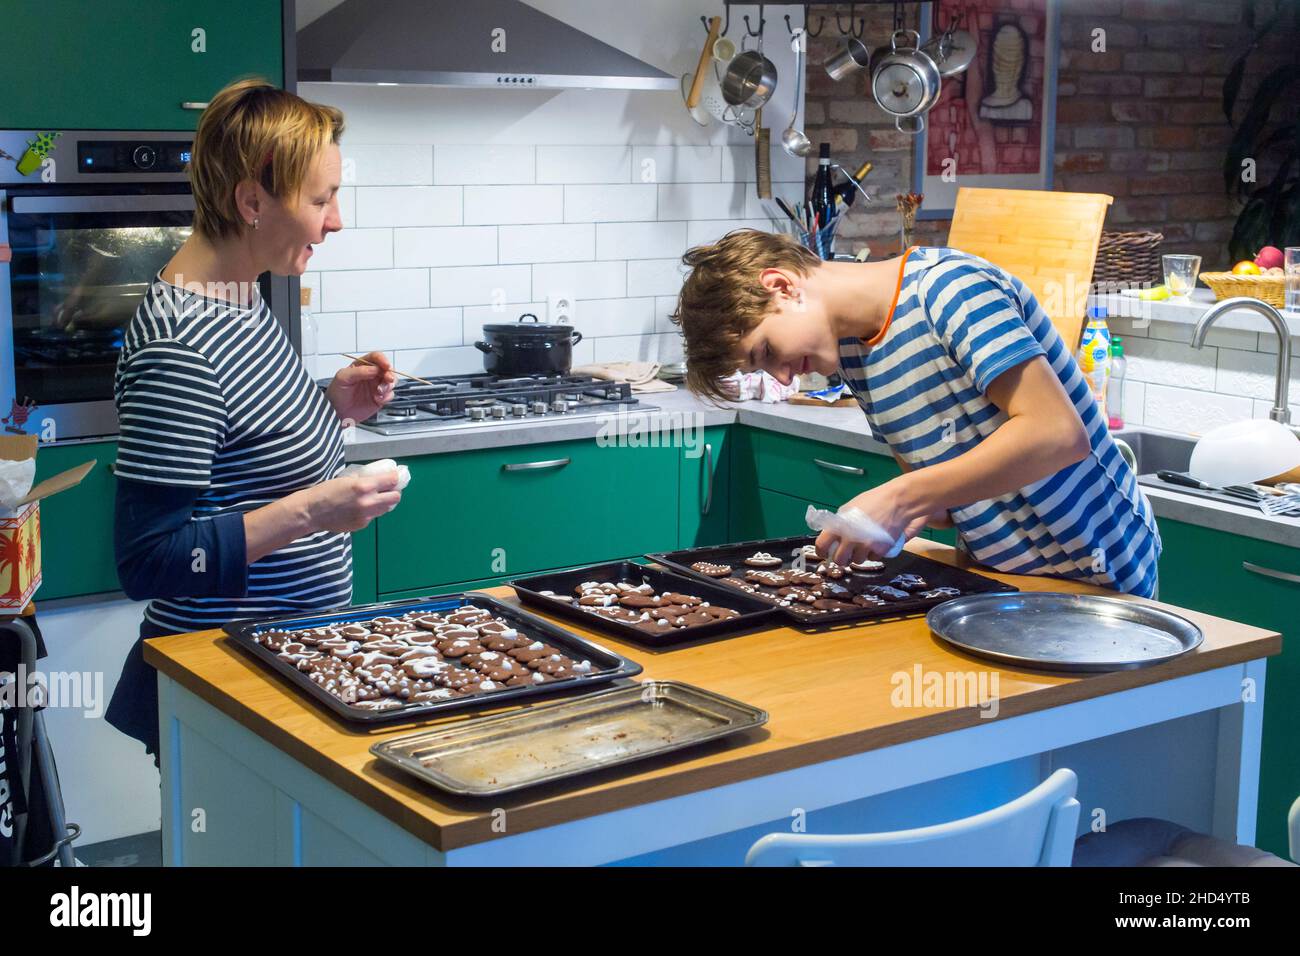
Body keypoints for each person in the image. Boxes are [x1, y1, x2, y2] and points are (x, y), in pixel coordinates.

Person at [107, 79, 402, 760]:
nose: (335, 221)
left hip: (289, 666)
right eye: (320, 200)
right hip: (225, 686)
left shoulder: (240, 297)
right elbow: (148, 562)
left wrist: (328, 408)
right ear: (251, 201)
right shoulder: (179, 343)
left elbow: (235, 456)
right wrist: (312, 511)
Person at [670, 229, 1161, 597]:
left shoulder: (948, 291)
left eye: (766, 353)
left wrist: (902, 496)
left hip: (1100, 575)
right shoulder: (856, 357)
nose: (782, 379)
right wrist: (883, 526)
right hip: (1005, 582)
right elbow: (950, 502)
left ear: (781, 286)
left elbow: (1056, 434)